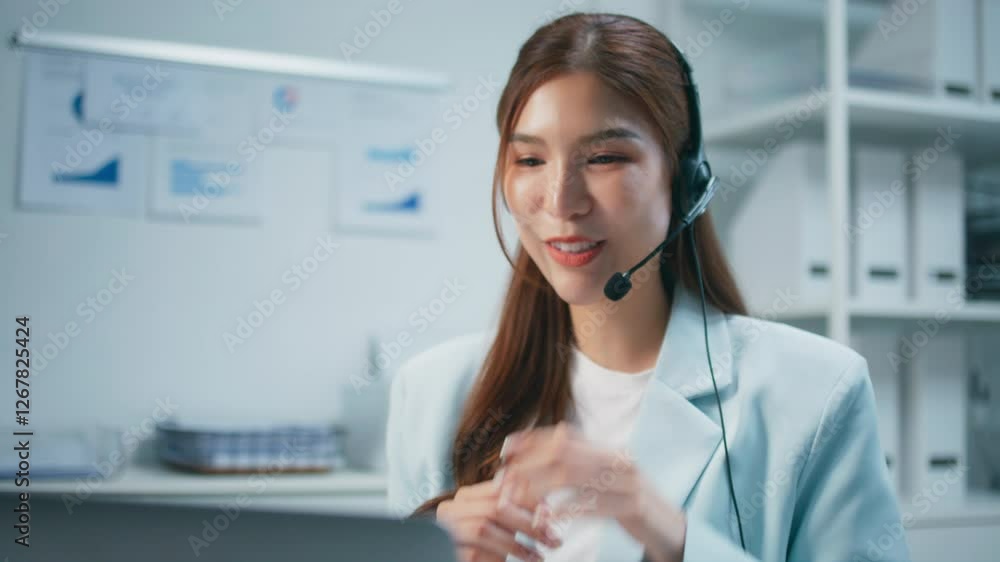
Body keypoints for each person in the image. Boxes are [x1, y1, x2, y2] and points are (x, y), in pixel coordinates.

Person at [386, 12, 908, 562]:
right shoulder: (430, 393)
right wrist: (425, 553)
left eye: (605, 158)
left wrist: (671, 534)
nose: (561, 201)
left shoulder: (818, 392)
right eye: (530, 160)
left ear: (684, 181)